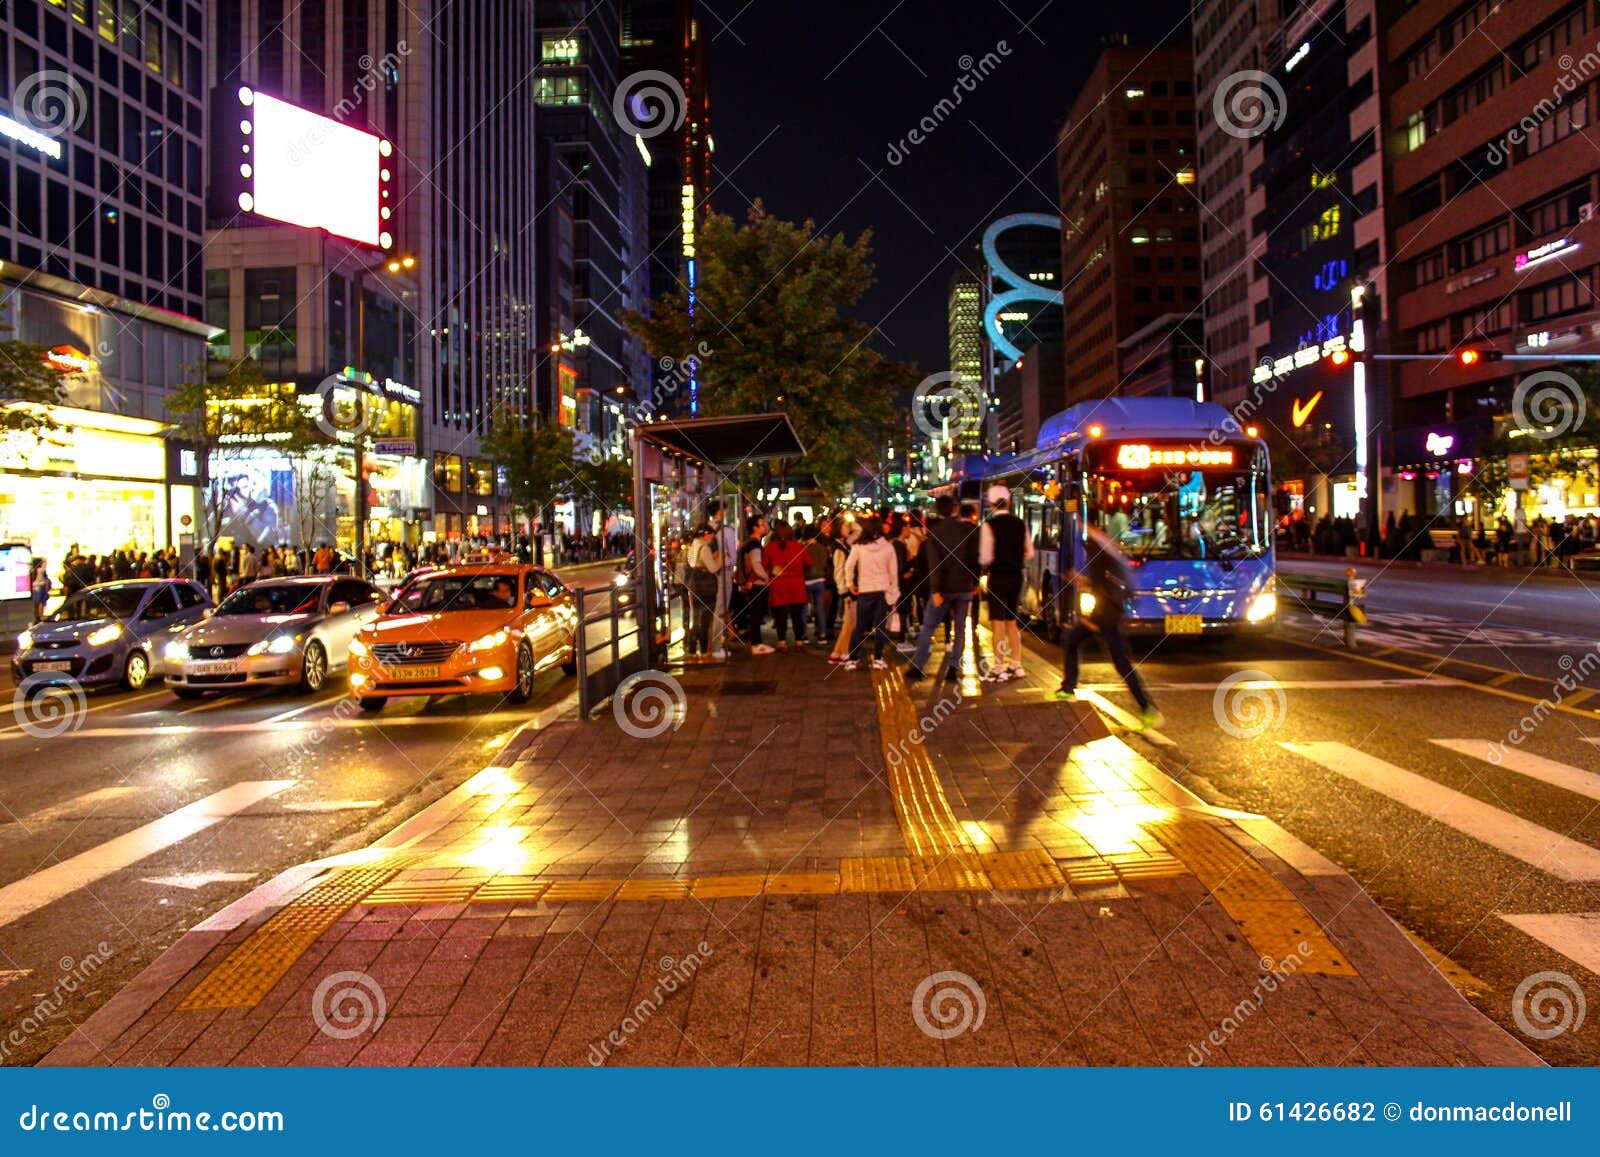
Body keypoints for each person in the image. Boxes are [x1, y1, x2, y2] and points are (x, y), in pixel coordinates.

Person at [1055, 512, 1160, 728]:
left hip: (1107, 616)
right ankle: (1067, 687)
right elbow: (1101, 582)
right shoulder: (1107, 551)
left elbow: (1104, 588)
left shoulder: (1097, 551)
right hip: (1109, 613)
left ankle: (1148, 708)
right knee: (1075, 641)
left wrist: (1092, 619)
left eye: (1087, 526)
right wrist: (1079, 579)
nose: (1084, 529)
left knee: (1121, 662)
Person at [906, 495, 981, 683]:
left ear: (938, 510)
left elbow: (935, 564)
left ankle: (918, 665)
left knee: (929, 627)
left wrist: (936, 590)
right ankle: (953, 668)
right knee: (961, 628)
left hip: (943, 588)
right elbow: (974, 558)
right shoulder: (967, 530)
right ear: (954, 508)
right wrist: (974, 582)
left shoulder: (935, 533)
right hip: (964, 586)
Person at [979, 485, 1033, 682]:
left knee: (998, 623)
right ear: (1008, 503)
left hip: (998, 577)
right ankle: (1016, 664)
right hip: (1016, 576)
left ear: (992, 504)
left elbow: (985, 557)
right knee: (1012, 622)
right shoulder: (1020, 524)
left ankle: (999, 666)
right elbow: (1030, 552)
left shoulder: (988, 526)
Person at [843, 515, 899, 671]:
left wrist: (850, 584)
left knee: (860, 626)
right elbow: (893, 573)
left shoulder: (858, 546)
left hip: (864, 590)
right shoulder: (888, 547)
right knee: (880, 627)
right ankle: (878, 659)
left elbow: (848, 566)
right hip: (882, 591)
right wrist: (894, 591)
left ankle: (853, 659)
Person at [763, 519, 809, 651]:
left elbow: (763, 565)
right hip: (796, 586)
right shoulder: (799, 547)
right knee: (797, 615)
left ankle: (782, 642)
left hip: (778, 586)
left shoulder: (770, 548)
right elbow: (808, 562)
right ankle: (799, 641)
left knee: (780, 616)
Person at [707, 500, 740, 659]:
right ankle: (716, 647)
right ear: (721, 511)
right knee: (720, 610)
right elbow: (732, 555)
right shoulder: (726, 531)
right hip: (724, 570)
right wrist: (732, 566)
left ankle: (712, 643)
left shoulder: (707, 528)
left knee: (713, 609)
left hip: (708, 572)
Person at [683, 524, 721, 661]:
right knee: (705, 618)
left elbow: (693, 563)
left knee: (696, 617)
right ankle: (704, 650)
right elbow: (713, 568)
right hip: (706, 585)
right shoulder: (704, 548)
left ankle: (692, 649)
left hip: (694, 583)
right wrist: (720, 558)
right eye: (710, 534)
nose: (711, 537)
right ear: (705, 534)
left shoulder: (692, 546)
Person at [738, 515, 773, 654]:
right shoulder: (754, 544)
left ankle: (757, 643)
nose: (765, 526)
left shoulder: (750, 543)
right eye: (762, 524)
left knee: (756, 614)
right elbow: (756, 564)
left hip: (754, 583)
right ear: (755, 528)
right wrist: (766, 578)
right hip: (757, 584)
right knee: (757, 614)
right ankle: (756, 644)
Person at [827, 519, 861, 663]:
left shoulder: (844, 543)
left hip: (849, 588)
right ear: (839, 529)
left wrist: (851, 521)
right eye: (845, 526)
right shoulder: (838, 547)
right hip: (847, 590)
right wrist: (844, 592)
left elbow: (858, 531)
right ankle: (843, 652)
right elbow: (838, 571)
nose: (848, 528)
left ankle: (837, 653)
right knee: (850, 622)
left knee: (850, 622)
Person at [30, 558, 51, 622]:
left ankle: (36, 616)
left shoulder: (32, 570)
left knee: (36, 603)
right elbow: (46, 578)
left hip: (34, 588)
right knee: (41, 602)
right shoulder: (41, 570)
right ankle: (40, 615)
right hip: (41, 586)